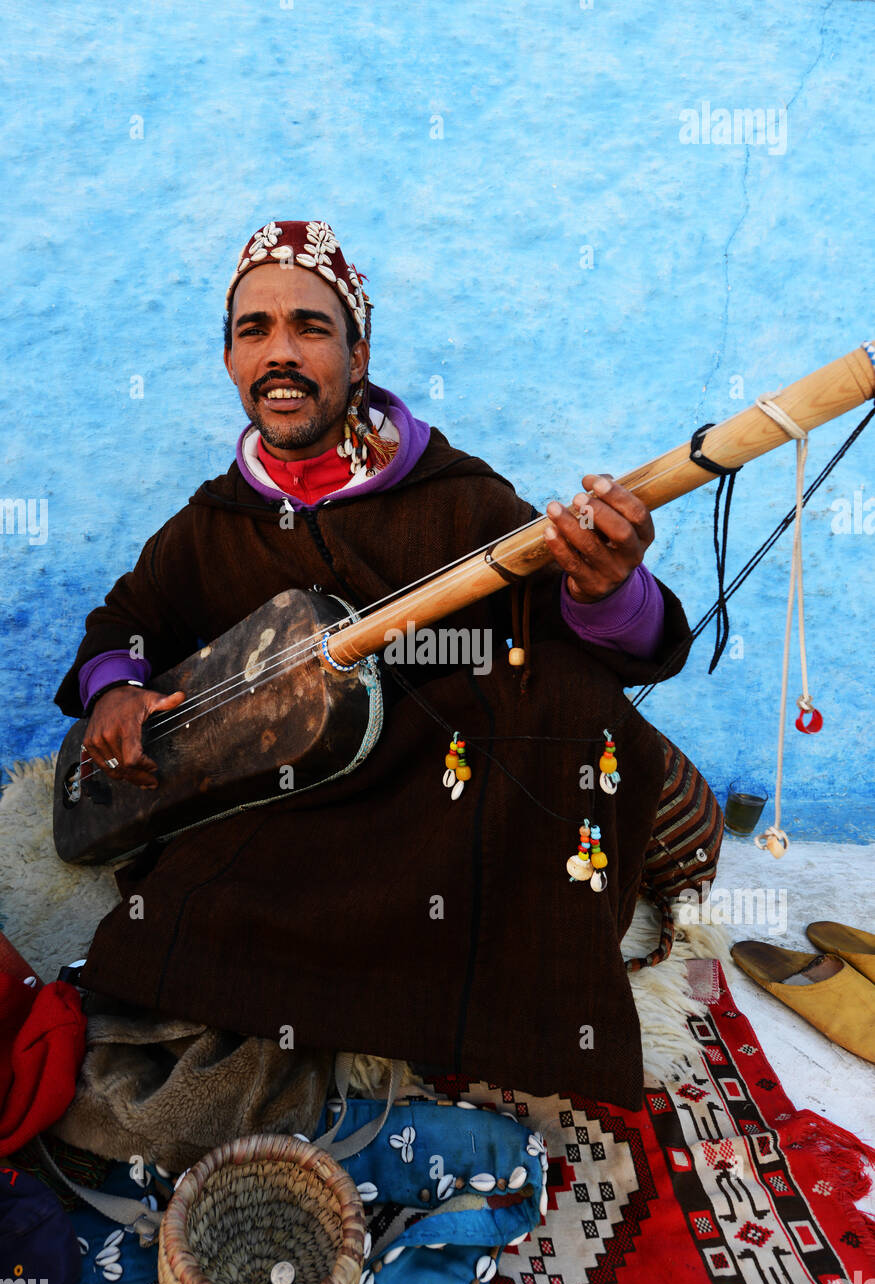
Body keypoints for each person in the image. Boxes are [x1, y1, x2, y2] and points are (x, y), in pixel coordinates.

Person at [54, 220, 716, 1110]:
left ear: (357, 354)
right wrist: (117, 689)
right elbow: (123, 624)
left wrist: (608, 590)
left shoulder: (456, 498)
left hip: (425, 797)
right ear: (229, 362)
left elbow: (570, 640)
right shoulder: (209, 526)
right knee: (166, 920)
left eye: (310, 327)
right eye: (254, 331)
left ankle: (482, 1019)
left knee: (566, 698)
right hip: (295, 810)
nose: (280, 354)